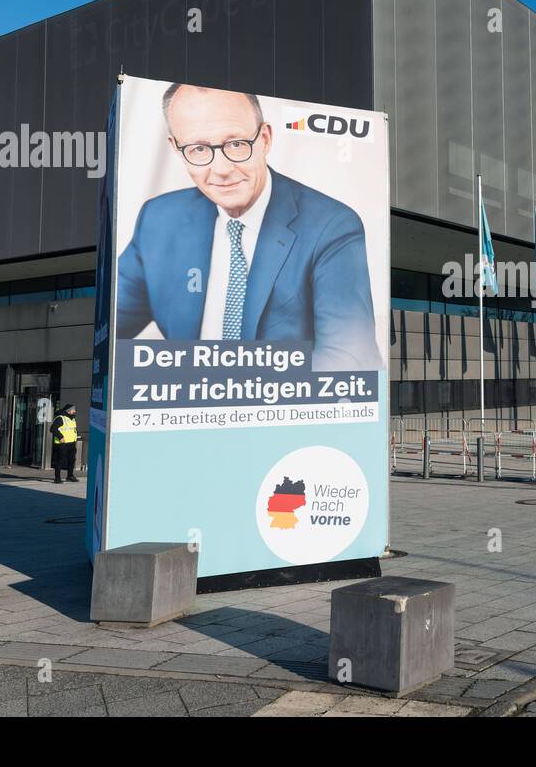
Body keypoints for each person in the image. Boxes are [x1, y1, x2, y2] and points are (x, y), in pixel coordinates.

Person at [116, 83, 380, 371]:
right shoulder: (159, 219)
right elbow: (107, 329)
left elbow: (351, 362)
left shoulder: (331, 226)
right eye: (199, 149)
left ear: (265, 139)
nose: (222, 169)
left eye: (236, 144)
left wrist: (234, 398)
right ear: (177, 150)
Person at [51, 404, 79, 484]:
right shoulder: (60, 418)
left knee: (72, 460)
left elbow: (73, 430)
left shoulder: (72, 419)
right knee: (60, 460)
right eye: (73, 410)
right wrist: (60, 437)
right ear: (68, 410)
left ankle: (70, 476)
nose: (75, 411)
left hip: (71, 443)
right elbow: (53, 429)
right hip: (62, 444)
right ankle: (57, 478)